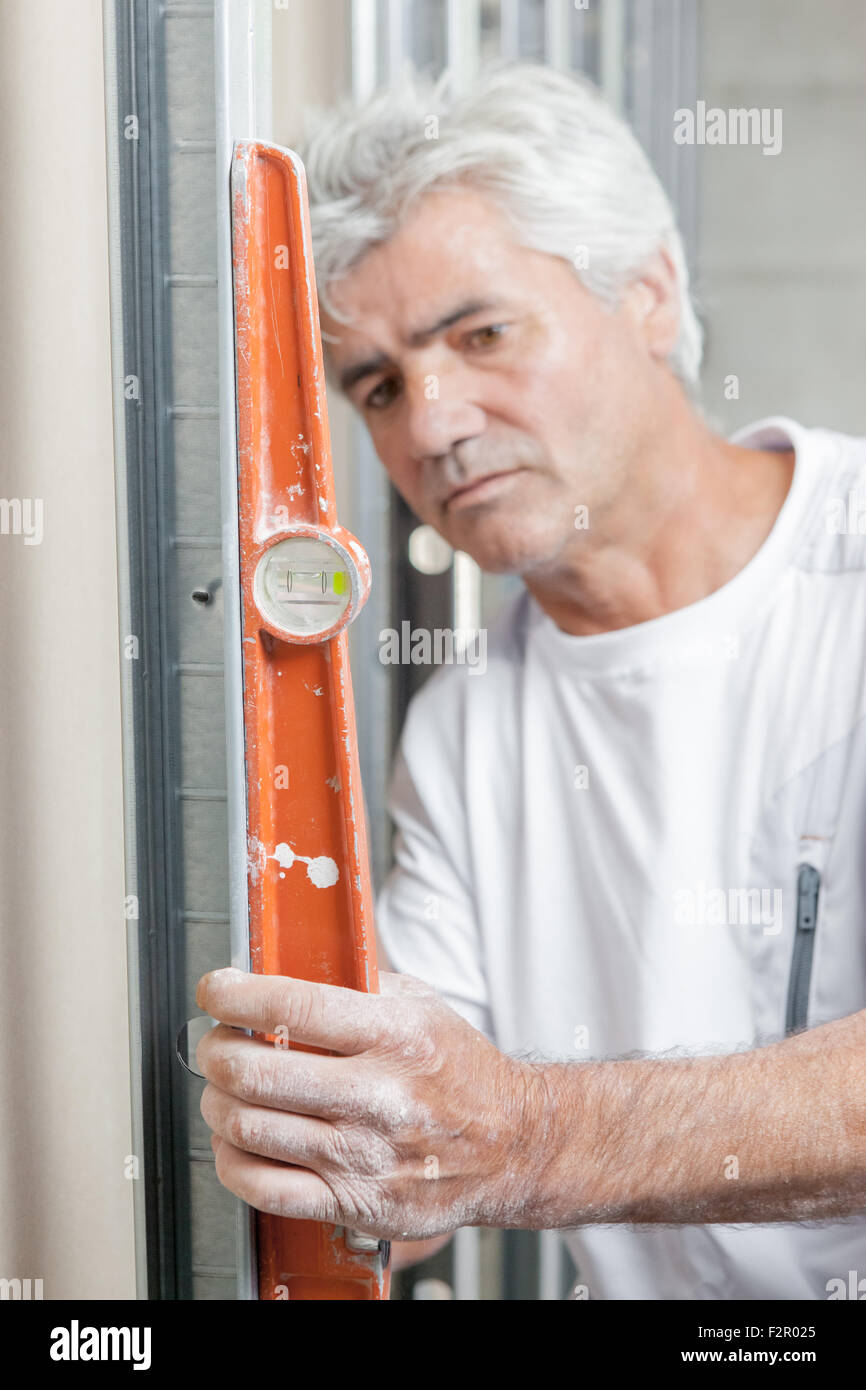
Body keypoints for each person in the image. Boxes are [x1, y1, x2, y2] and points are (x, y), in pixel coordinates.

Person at [196, 63, 866, 1299]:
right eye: (379, 386)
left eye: (480, 334)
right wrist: (314, 1140)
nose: (433, 425)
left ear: (649, 294)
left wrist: (528, 1138)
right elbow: (412, 1167)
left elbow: (495, 1138)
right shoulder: (458, 731)